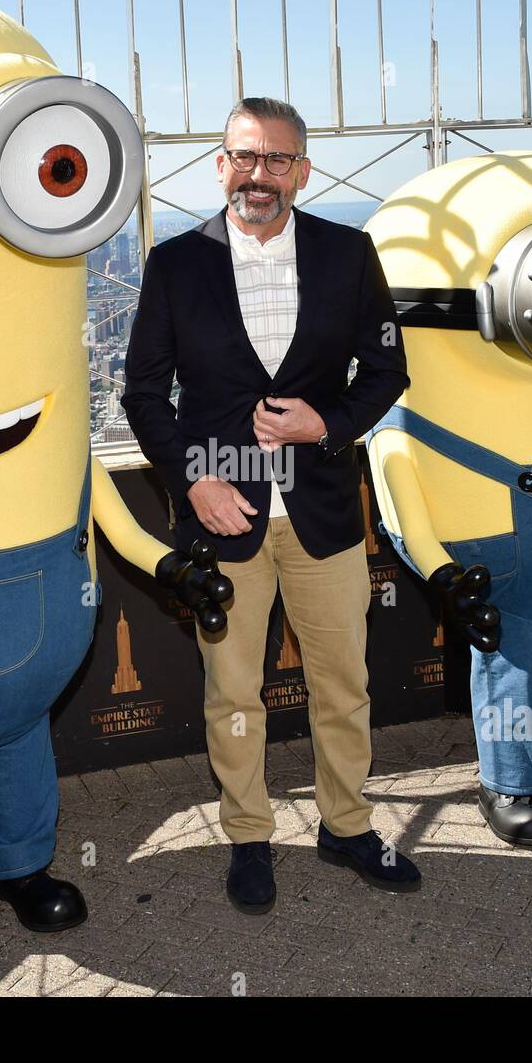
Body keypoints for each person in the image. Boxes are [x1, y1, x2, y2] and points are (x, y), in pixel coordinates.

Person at [122, 97, 417, 914]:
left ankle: (347, 824)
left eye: (277, 160)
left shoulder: (349, 254)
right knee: (234, 693)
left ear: (303, 171)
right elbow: (144, 394)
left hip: (323, 510)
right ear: (221, 166)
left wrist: (330, 423)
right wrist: (194, 478)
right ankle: (250, 834)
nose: (260, 175)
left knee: (343, 684)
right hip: (224, 515)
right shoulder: (176, 264)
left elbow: (388, 372)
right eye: (245, 157)